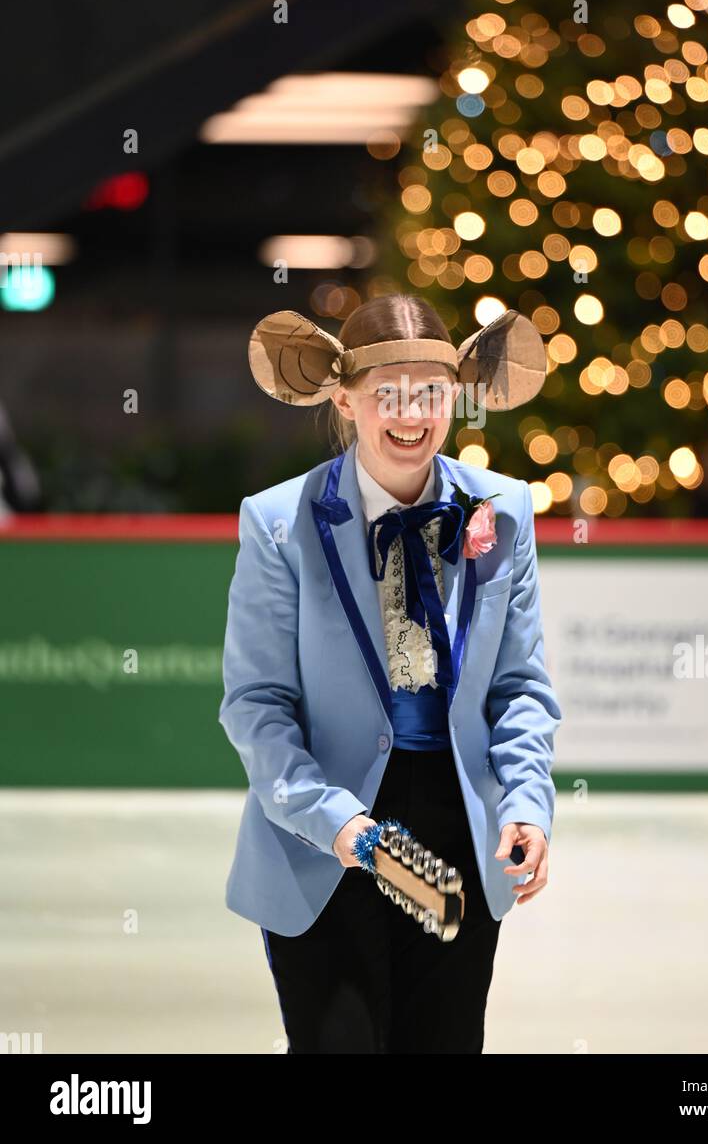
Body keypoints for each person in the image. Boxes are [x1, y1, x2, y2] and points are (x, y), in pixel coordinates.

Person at [219, 293, 562, 1053]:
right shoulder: (279, 522)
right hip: (323, 835)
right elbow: (256, 705)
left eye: (431, 392)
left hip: (457, 830)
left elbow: (520, 688)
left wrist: (528, 806)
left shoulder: (503, 508)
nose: (412, 414)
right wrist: (334, 823)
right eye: (388, 394)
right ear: (344, 397)